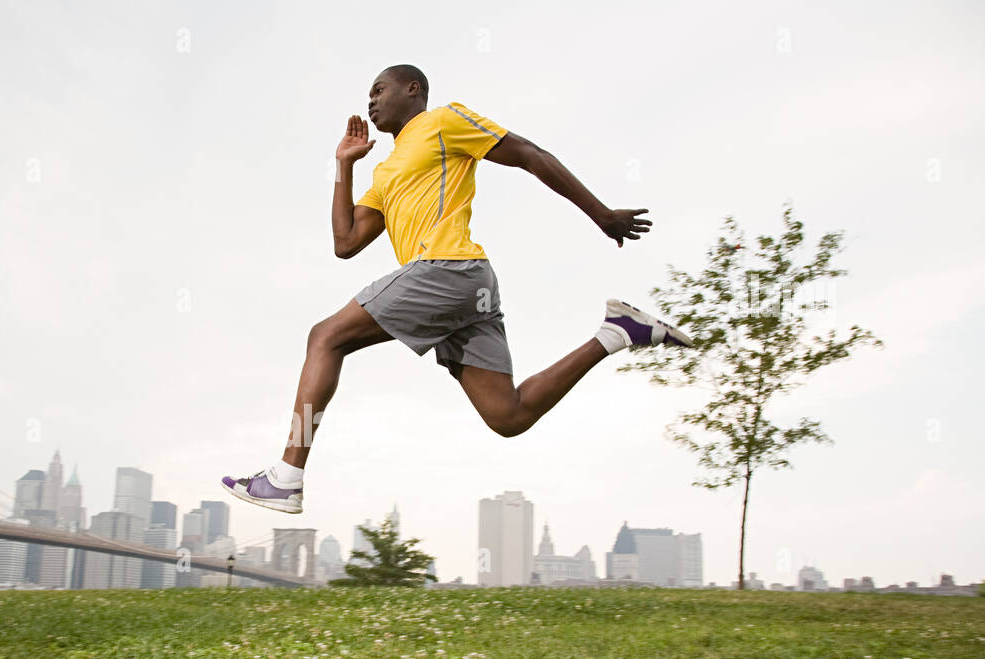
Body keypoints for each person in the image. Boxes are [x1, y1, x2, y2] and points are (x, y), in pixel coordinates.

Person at [222, 64, 693, 514]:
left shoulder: (444, 122)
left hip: (449, 269)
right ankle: (616, 332)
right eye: (368, 95)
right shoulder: (385, 173)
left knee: (325, 337)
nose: (370, 101)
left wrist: (601, 213)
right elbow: (345, 243)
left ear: (413, 89)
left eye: (379, 90)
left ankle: (287, 476)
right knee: (508, 416)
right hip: (461, 293)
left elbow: (530, 155)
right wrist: (344, 164)